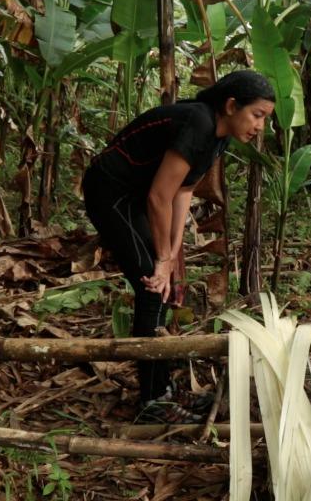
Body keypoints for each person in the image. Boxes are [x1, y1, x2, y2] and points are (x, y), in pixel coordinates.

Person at [82, 70, 275, 422]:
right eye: (257, 115)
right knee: (150, 284)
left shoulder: (220, 137)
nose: (260, 126)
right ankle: (153, 401)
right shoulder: (198, 123)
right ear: (231, 106)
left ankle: (163, 390)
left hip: (135, 196)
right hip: (109, 190)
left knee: (161, 286)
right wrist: (161, 259)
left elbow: (183, 192)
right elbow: (159, 196)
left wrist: (172, 253)